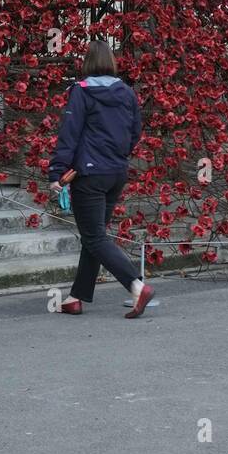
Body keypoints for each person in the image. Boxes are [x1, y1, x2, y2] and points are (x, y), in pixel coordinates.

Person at [48, 40, 154, 318]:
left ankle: (135, 285)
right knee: (94, 236)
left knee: (94, 236)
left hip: (90, 174)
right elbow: (135, 132)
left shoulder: (80, 92)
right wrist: (117, 156)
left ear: (87, 62)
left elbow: (69, 134)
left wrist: (57, 172)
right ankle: (75, 297)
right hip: (116, 172)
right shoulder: (127, 93)